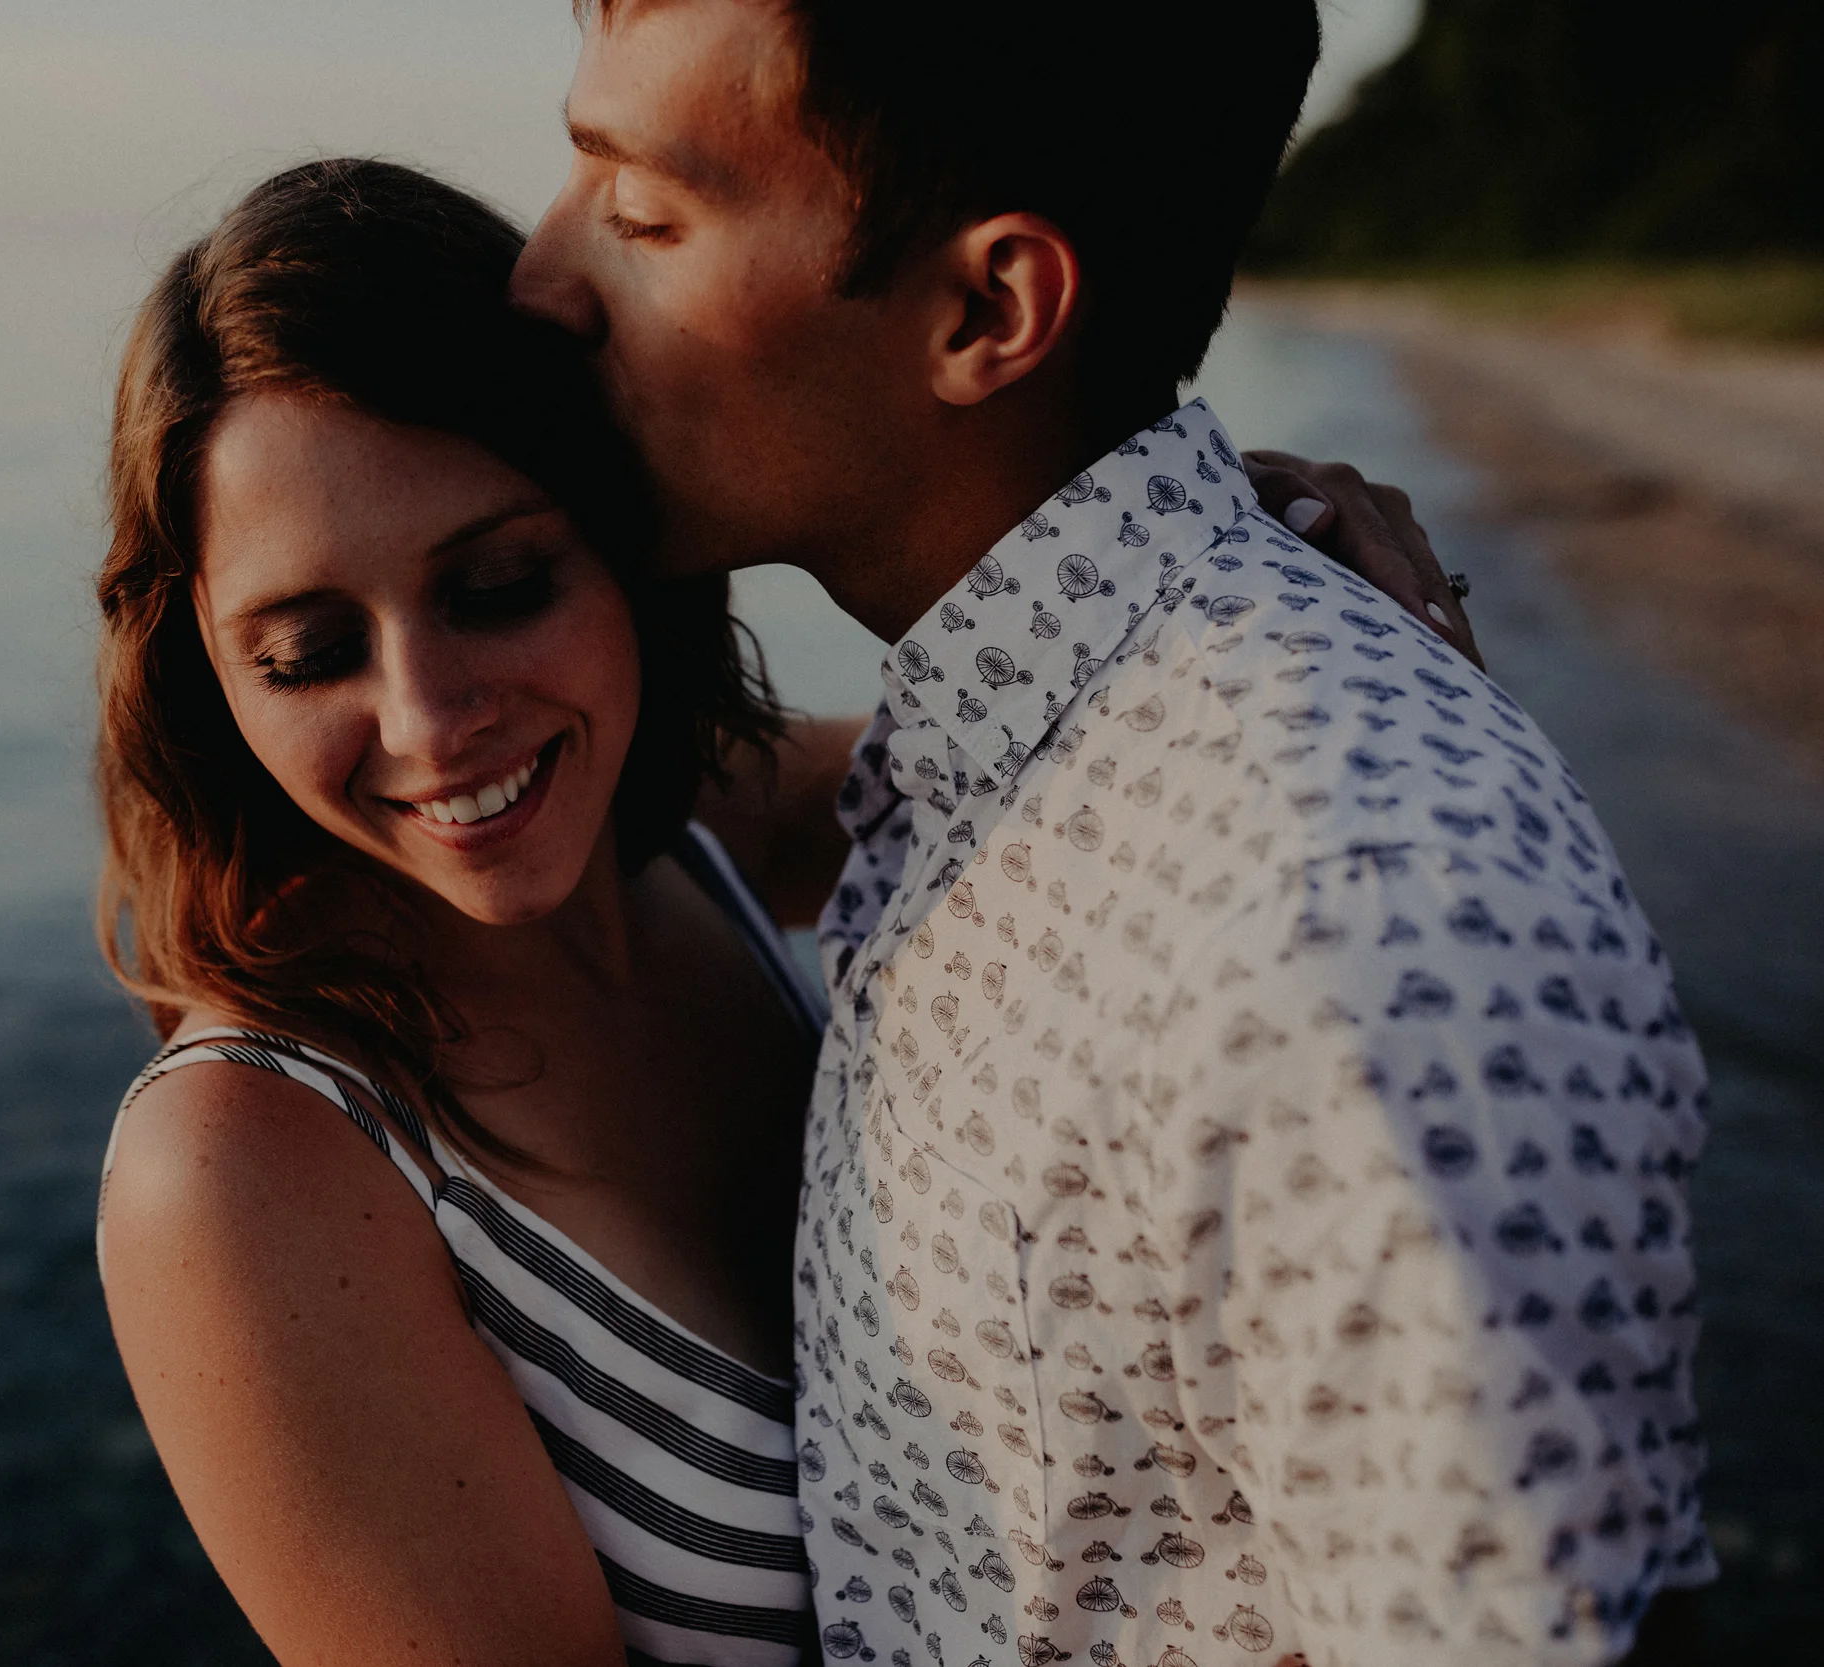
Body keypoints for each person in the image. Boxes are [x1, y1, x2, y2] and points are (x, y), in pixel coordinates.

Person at [91, 154, 1461, 1666]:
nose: (427, 720)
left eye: (499, 584)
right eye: (307, 651)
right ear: (207, 676)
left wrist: (1259, 552)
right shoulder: (241, 1168)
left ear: (624, 539)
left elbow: (1073, 724)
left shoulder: (683, 825)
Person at [503, 3, 1710, 1666]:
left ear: (989, 310)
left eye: (643, 218)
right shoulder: (1012, 744)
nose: (537, 282)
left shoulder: (1333, 926)